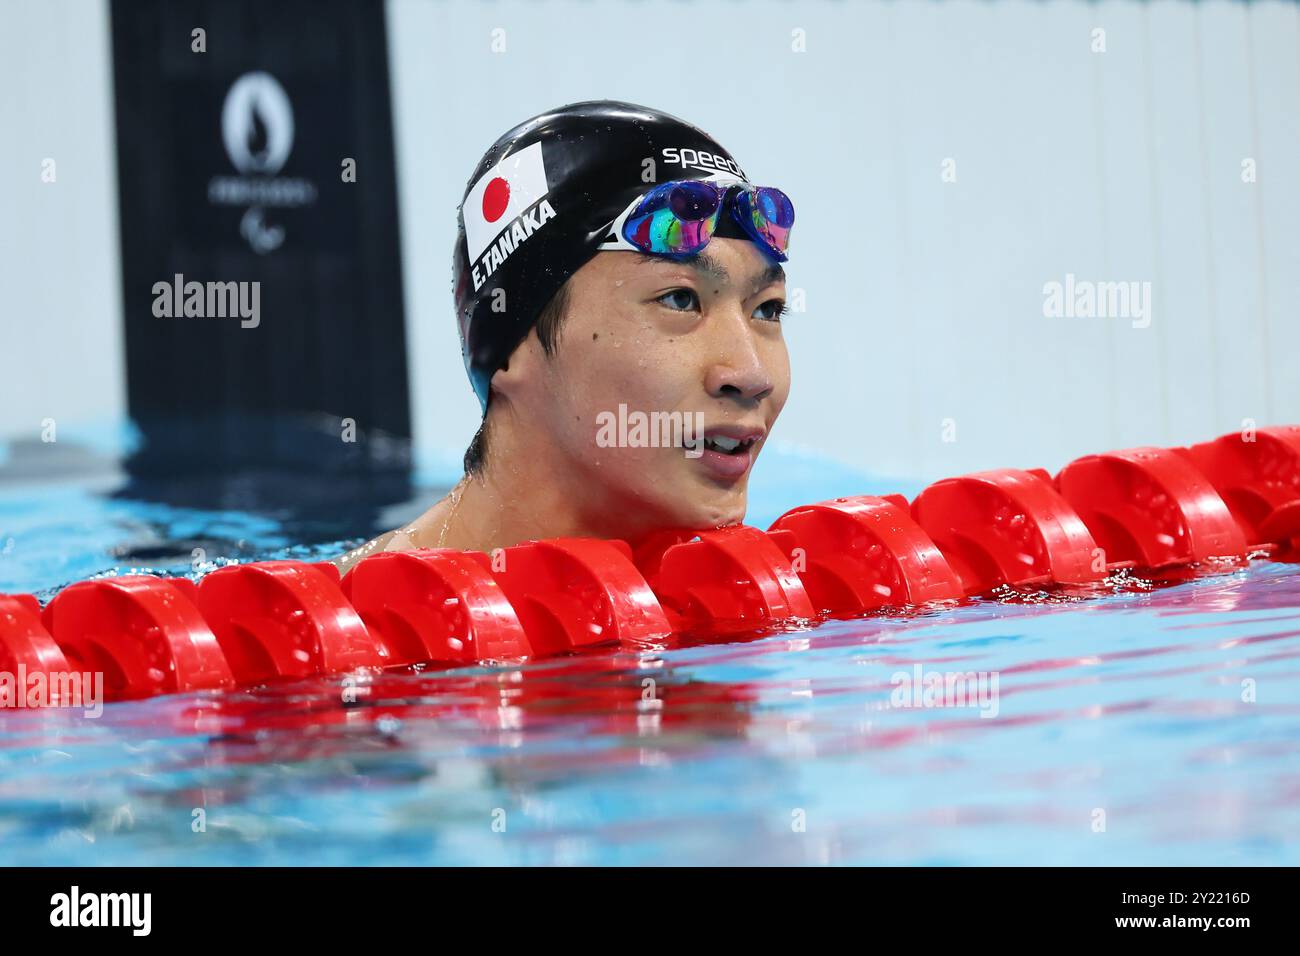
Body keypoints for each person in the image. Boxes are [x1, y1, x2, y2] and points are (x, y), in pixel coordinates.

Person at [335, 100, 795, 572]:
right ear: (513, 346)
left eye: (766, 309)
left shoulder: (750, 599)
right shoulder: (342, 627)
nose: (751, 373)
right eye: (679, 299)